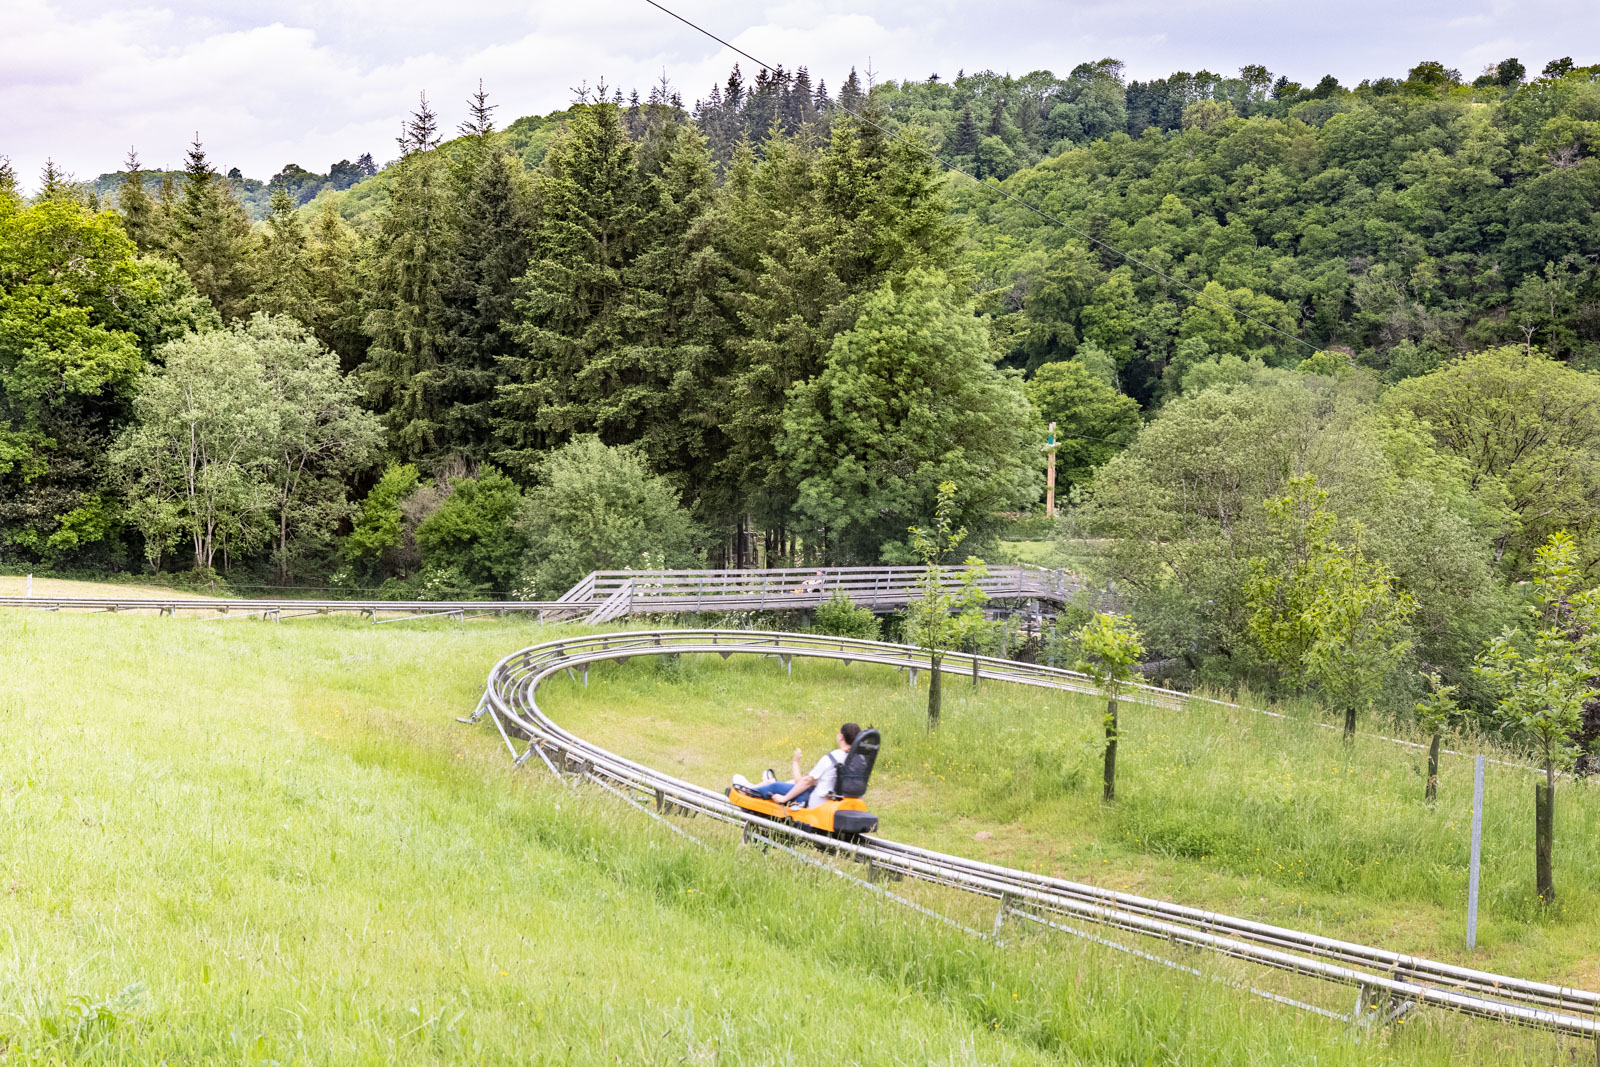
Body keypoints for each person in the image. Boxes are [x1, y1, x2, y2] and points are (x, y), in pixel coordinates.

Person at [733, 722, 861, 808]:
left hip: (816, 802)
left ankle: (749, 791)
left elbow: (806, 781)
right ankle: (764, 783)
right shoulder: (859, 761)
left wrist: (784, 798)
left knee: (777, 786)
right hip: (838, 802)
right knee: (792, 783)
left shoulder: (834, 757)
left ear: (841, 737)